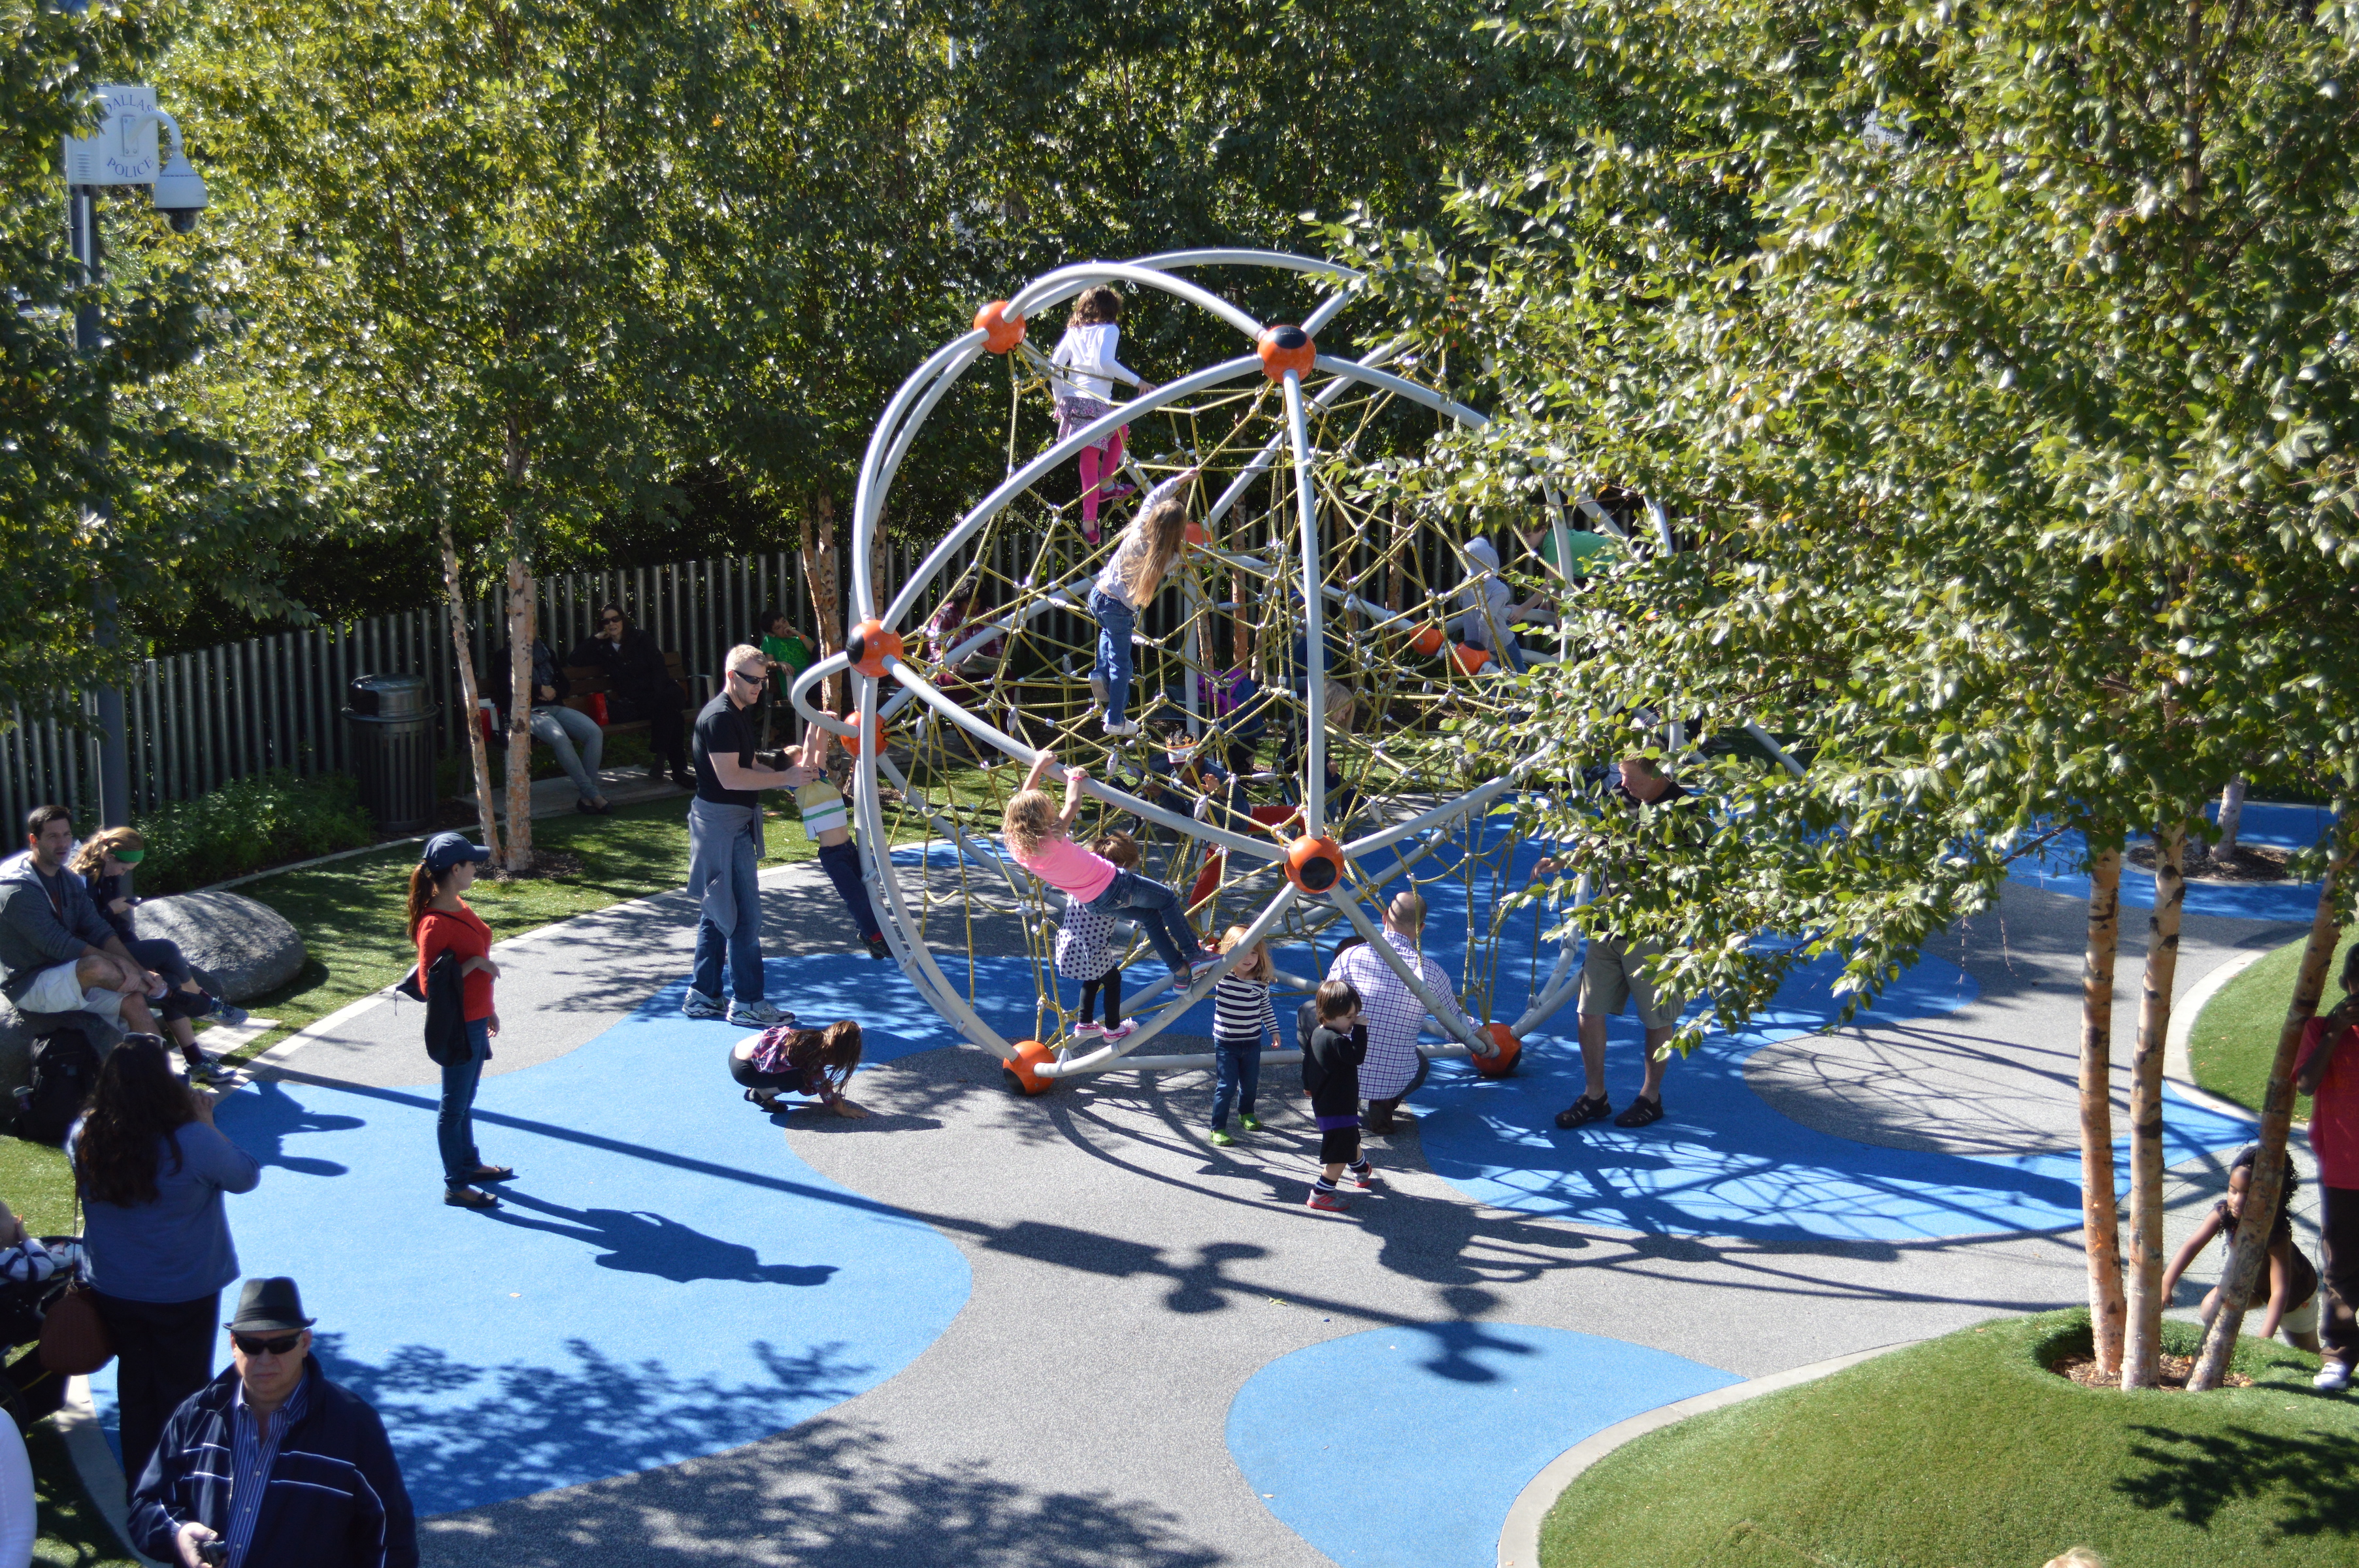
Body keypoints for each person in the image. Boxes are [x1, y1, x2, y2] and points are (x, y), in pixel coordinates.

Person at [70, 1034, 261, 1498]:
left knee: (136, 1386)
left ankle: (143, 1487)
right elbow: (245, 1176)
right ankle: (184, 1490)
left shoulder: (85, 1135)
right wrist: (207, 1120)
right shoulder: (192, 1140)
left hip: (114, 1286)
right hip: (183, 1290)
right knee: (184, 1390)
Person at [129, 1275, 418, 1568]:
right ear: (233, 1345)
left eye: (280, 1345)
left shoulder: (354, 1426)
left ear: (304, 1343)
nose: (265, 1359)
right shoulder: (195, 1417)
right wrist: (179, 1534)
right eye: (251, 1345)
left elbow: (390, 1538)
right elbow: (147, 1505)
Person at [1551, 755, 1694, 1131]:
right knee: (1588, 1010)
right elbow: (1600, 838)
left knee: (1657, 1018)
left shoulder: (1688, 812)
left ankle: (1651, 1097)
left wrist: (1703, 942)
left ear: (1658, 774)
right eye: (1623, 778)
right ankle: (1595, 1095)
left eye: (1630, 779)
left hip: (1655, 932)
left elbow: (1705, 881)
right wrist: (1565, 859)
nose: (1623, 785)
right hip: (1608, 923)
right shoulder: (1620, 795)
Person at [684, 645, 818, 1025]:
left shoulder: (738, 712)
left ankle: (703, 993)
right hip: (720, 827)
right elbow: (731, 777)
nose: (760, 687)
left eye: (763, 680)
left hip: (729, 822)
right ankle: (747, 1002)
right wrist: (784, 778)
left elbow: (749, 763)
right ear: (732, 677)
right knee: (744, 915)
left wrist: (785, 773)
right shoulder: (719, 718)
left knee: (717, 907)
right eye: (752, 680)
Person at [1003, 751, 1213, 988]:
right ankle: (1194, 956)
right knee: (1167, 899)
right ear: (1040, 818)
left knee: (1152, 919)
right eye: (1047, 807)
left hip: (1095, 902)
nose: (1052, 808)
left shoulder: (1017, 848)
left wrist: (1040, 765)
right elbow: (1073, 803)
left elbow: (1023, 802)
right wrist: (1075, 778)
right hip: (1114, 884)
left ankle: (1181, 972)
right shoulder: (1053, 838)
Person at [69, 827, 242, 1084]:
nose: (122, 874)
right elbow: (81, 927)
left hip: (113, 945)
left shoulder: (107, 874)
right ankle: (205, 1004)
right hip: (92, 955)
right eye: (124, 868)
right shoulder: (79, 878)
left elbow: (117, 930)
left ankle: (196, 1061)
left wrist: (139, 957)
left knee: (170, 981)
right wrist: (110, 910)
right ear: (109, 856)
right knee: (167, 949)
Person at [0, 804, 172, 1041]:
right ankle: (167, 996)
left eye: (67, 835)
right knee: (97, 965)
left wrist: (140, 971)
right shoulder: (16, 888)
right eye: (52, 836)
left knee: (133, 1000)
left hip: (69, 973)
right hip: (31, 983)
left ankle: (156, 1073)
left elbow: (98, 928)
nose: (63, 844)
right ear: (34, 840)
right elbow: (57, 944)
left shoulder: (68, 878)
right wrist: (130, 969)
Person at [409, 832, 515, 1210]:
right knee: (453, 1105)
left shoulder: (458, 904)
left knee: (465, 1100)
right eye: (472, 864)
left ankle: (469, 1164)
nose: (476, 868)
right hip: (458, 1027)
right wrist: (475, 965)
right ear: (455, 869)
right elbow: (428, 984)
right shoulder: (434, 924)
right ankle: (456, 1184)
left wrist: (488, 1007)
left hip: (475, 1018)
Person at [1329, 891, 1477, 1135]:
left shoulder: (1352, 955)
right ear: (1421, 928)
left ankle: (1321, 1086)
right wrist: (1483, 1035)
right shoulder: (1431, 972)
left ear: (1384, 916)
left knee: (1309, 1012)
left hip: (1343, 1068)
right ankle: (1383, 1102)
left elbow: (1326, 1003)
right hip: (1393, 1076)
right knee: (1421, 1064)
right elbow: (1456, 1026)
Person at [2160, 1144, 2323, 1352]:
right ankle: (2226, 1354)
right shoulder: (2224, 1213)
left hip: (2295, 1297)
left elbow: (2281, 1291)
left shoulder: (2276, 1235)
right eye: (2233, 1190)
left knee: (2307, 1351)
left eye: (2248, 1193)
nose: (2237, 1200)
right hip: (2250, 1285)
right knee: (2212, 1308)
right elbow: (2191, 1246)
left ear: (2270, 1196)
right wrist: (2167, 1283)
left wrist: (2264, 1339)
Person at [1087, 470, 1195, 735]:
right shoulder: (1169, 558)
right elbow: (1183, 554)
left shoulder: (1141, 525)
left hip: (1097, 595)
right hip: (1119, 609)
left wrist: (1181, 479)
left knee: (1107, 635)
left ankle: (1099, 674)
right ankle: (1115, 719)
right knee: (1123, 665)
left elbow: (1155, 495)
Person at [2296, 943, 2359, 1392]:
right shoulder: (2320, 1030)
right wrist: (2337, 1031)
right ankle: (2338, 1356)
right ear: (2347, 984)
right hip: (2344, 1173)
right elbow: (2304, 1083)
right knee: (2341, 1271)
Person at [1047, 286, 1157, 543]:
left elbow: (1054, 365)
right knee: (1106, 442)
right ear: (1112, 310)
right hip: (1094, 402)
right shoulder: (1110, 329)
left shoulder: (1074, 331)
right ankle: (1098, 501)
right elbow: (1106, 362)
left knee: (1114, 435)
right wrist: (1137, 381)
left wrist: (1060, 398)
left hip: (1074, 402)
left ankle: (1100, 498)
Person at [785, 726, 889, 960]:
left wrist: (821, 723)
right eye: (801, 765)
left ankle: (871, 934)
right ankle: (875, 937)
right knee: (857, 898)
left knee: (872, 893)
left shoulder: (820, 778)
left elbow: (818, 746)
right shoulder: (799, 788)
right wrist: (813, 721)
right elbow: (811, 750)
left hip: (851, 849)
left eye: (809, 763)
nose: (809, 766)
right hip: (834, 857)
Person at [568, 604, 693, 790]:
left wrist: (656, 695)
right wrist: (595, 639)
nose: (612, 624)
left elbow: (659, 669)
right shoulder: (603, 649)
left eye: (615, 619)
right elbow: (574, 660)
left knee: (666, 705)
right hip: (639, 701)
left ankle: (661, 749)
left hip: (663, 692)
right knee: (674, 716)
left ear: (623, 619)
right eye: (606, 621)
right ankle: (677, 770)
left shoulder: (641, 638)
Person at [494, 636, 611, 815]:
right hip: (528, 711)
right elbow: (505, 690)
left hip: (556, 707)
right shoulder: (505, 656)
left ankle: (586, 797)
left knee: (594, 732)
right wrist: (538, 689)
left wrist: (553, 690)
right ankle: (593, 794)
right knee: (560, 738)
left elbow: (564, 685)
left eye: (531, 622)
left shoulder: (546, 652)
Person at [1055, 832, 1141, 1045]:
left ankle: (1084, 1023)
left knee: (1092, 978)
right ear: (1120, 865)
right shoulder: (1111, 889)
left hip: (1070, 945)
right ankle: (1113, 1028)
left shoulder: (1080, 879)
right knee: (1113, 981)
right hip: (1092, 948)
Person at [1302, 979, 1378, 1211]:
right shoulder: (1337, 1041)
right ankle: (1320, 1193)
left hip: (1326, 1103)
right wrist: (1361, 1030)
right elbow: (1357, 1057)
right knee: (1339, 1153)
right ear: (1329, 1014)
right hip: (1339, 1105)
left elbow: (1309, 1062)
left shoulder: (1318, 1033)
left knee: (1349, 1137)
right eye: (1349, 1017)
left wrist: (1308, 1085)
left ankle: (1362, 1170)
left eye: (1355, 1016)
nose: (1353, 1021)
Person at [1210, 925, 1278, 1147]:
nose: (1248, 958)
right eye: (1242, 952)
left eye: (1254, 953)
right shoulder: (1222, 976)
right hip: (1226, 1042)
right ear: (1229, 951)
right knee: (1227, 1085)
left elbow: (1265, 1008)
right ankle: (1218, 1127)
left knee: (1249, 1084)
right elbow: (1199, 968)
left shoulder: (1260, 982)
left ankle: (1246, 1113)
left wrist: (1274, 1030)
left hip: (1251, 1041)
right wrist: (1207, 951)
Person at [1455, 536, 1556, 672]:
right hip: (1500, 642)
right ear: (1491, 558)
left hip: (1471, 642)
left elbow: (1462, 603)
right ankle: (1527, 694)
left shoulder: (1466, 583)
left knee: (1491, 676)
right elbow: (1485, 620)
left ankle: (1495, 694)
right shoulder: (1499, 589)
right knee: (1519, 672)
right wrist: (1482, 649)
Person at [729, 1021, 869, 1118]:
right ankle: (762, 1094)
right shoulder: (816, 1056)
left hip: (737, 1053)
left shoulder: (811, 1037)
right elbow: (821, 1086)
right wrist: (841, 1109)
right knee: (803, 1078)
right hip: (746, 1071)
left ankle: (761, 1085)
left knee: (805, 1076)